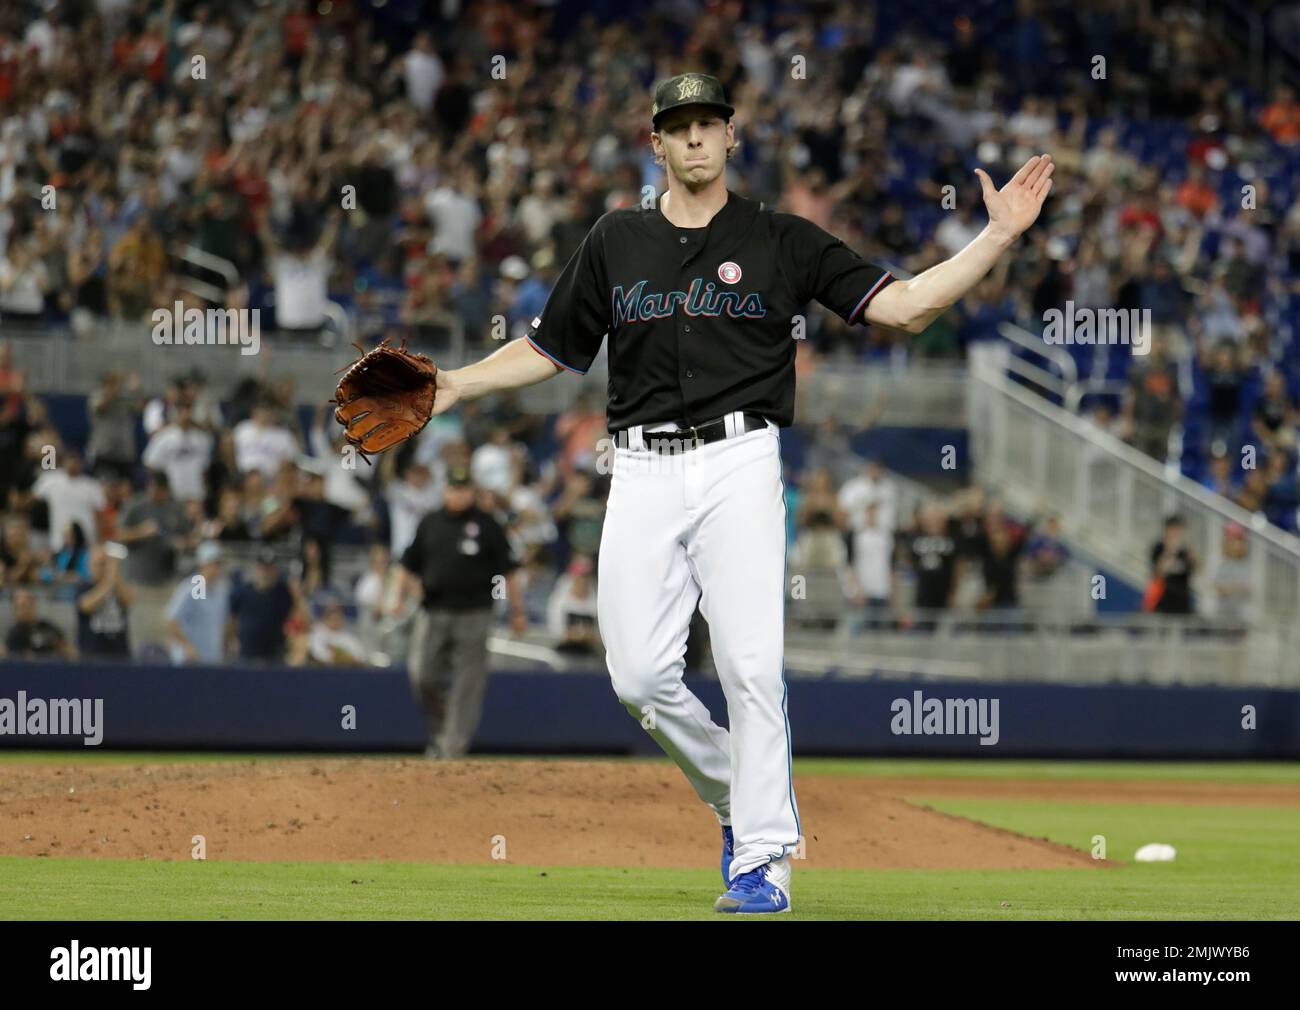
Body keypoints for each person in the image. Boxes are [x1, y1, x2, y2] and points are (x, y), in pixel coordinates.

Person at [418, 73, 1053, 913]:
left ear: (730, 136)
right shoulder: (616, 240)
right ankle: (731, 793)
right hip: (639, 469)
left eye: (706, 125)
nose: (692, 139)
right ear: (655, 143)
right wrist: (457, 385)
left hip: (740, 464)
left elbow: (901, 308)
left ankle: (762, 862)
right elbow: (548, 348)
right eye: (676, 127)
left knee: (751, 668)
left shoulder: (781, 239)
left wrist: (996, 240)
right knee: (639, 677)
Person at [395, 464, 525, 759]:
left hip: (475, 613)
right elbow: (408, 563)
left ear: (472, 492)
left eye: (464, 489)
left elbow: (509, 569)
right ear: (444, 491)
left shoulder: (487, 524)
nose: (458, 494)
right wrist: (398, 597)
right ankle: (441, 731)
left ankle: (453, 748)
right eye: (453, 488)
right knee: (422, 675)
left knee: (468, 683)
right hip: (433, 610)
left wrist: (518, 610)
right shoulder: (430, 522)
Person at [164, 540, 231, 665]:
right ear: (203, 564)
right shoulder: (192, 587)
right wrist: (187, 646)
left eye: (218, 564)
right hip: (190, 661)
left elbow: (224, 621)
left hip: (211, 660)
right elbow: (171, 620)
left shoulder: (221, 589)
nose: (217, 568)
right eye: (214, 563)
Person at [230, 548, 296, 663]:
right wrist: (232, 638)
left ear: (275, 571)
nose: (266, 573)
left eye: (269, 569)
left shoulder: (282, 593)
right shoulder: (243, 592)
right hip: (246, 655)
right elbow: (232, 619)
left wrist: (296, 592)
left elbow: (298, 617)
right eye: (263, 568)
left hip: (274, 656)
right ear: (257, 569)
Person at [76, 545, 133, 659]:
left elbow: (129, 601)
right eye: (99, 564)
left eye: (105, 564)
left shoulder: (118, 586)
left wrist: (115, 577)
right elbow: (85, 605)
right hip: (92, 652)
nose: (102, 569)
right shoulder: (84, 587)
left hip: (120, 651)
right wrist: (108, 583)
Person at [546, 555, 599, 655]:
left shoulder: (595, 600)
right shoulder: (560, 600)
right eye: (579, 576)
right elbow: (556, 632)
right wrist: (575, 635)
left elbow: (599, 634)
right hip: (563, 652)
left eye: (586, 576)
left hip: (589, 653)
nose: (582, 580)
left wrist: (587, 635)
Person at [5, 588, 75, 660]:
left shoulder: (47, 626)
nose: (23, 610)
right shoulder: (14, 634)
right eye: (18, 607)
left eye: (25, 605)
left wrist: (66, 650)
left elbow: (67, 648)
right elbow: (15, 659)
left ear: (34, 605)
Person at [1148, 515, 1197, 615]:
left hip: (1182, 599)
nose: (1177, 533)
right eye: (1174, 529)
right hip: (1163, 600)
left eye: (1179, 529)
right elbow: (1158, 573)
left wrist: (1191, 554)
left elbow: (1195, 568)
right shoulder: (1159, 547)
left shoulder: (1184, 550)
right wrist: (1170, 550)